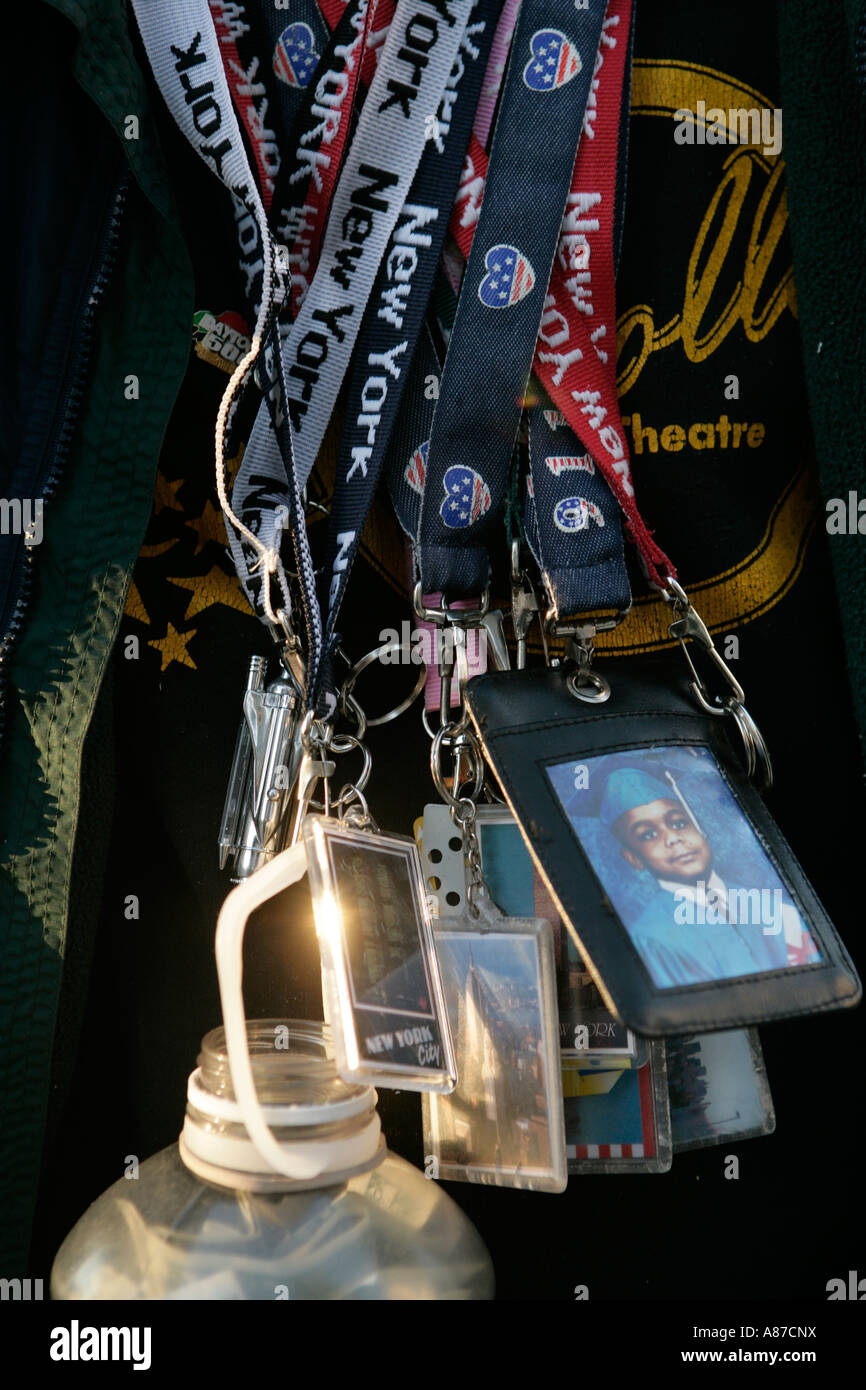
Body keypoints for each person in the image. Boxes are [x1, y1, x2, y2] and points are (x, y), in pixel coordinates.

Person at [599, 766, 817, 989]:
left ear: (699, 827)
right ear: (634, 858)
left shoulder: (774, 907)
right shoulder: (652, 938)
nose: (673, 838)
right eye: (648, 835)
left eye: (678, 823)